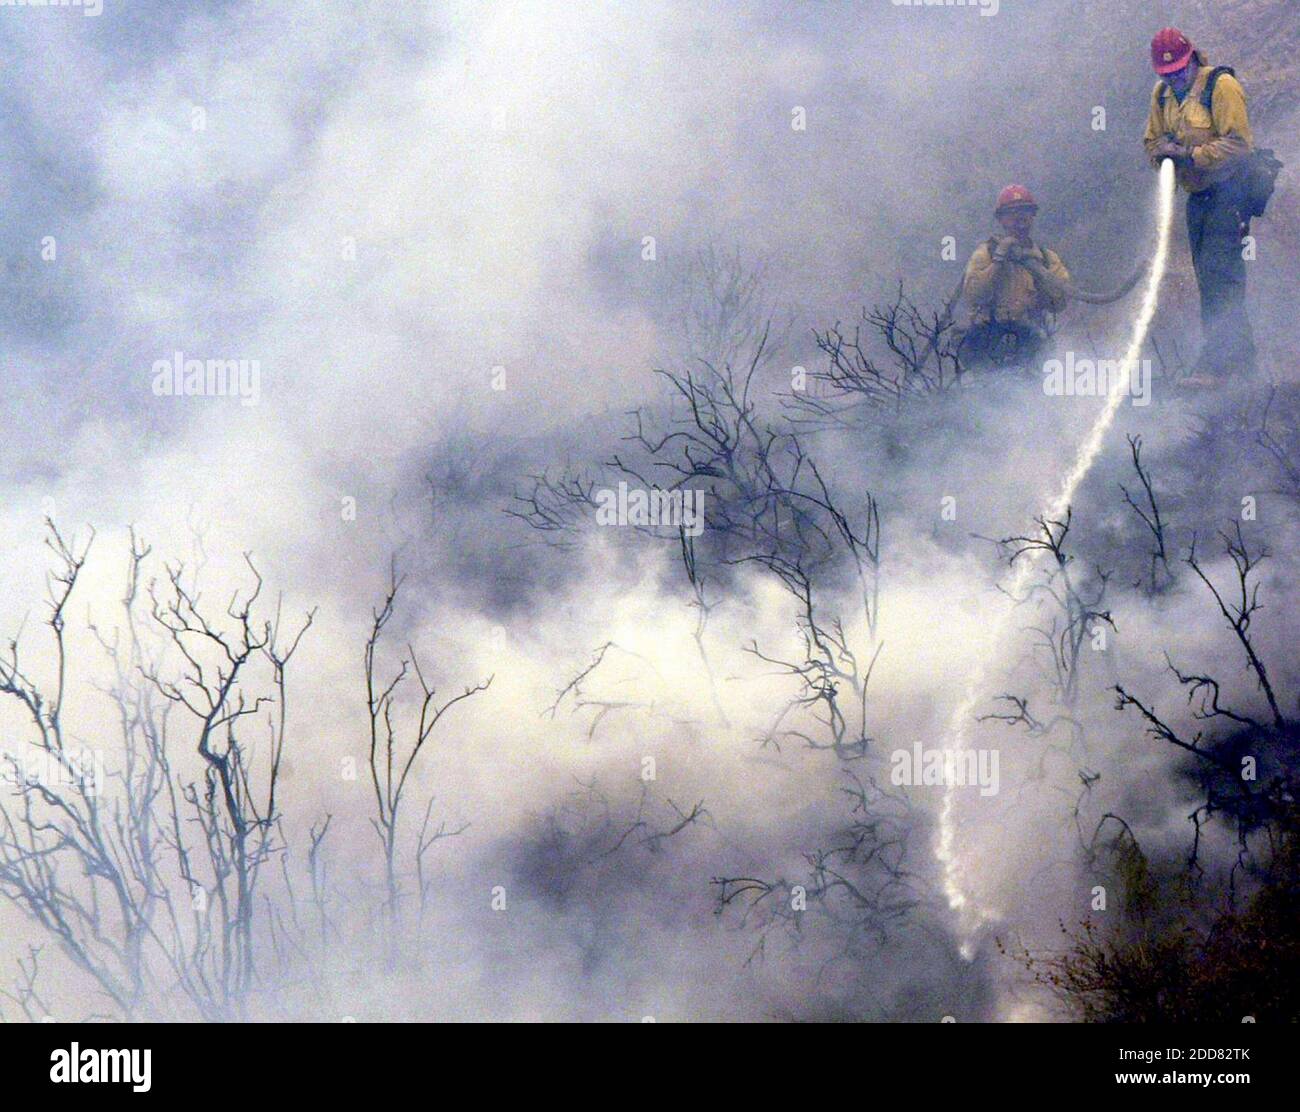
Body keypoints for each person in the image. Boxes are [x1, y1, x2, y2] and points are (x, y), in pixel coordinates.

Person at [1144, 27, 1256, 387]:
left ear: (1192, 58)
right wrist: (1160, 153)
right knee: (1208, 279)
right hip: (1198, 197)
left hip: (1230, 192)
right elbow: (1151, 141)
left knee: (1220, 274)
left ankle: (1223, 363)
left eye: (1178, 69)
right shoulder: (1162, 96)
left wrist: (1190, 155)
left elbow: (1239, 145)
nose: (1174, 78)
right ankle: (1233, 358)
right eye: (1166, 73)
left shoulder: (1220, 87)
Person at [960, 185, 1071, 370]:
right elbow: (974, 294)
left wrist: (1040, 274)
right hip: (988, 341)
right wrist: (998, 261)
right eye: (1011, 213)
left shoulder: (1047, 259)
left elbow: (1060, 301)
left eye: (1025, 211)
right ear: (1001, 219)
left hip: (1030, 341)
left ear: (1032, 216)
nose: (1019, 218)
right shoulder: (985, 254)